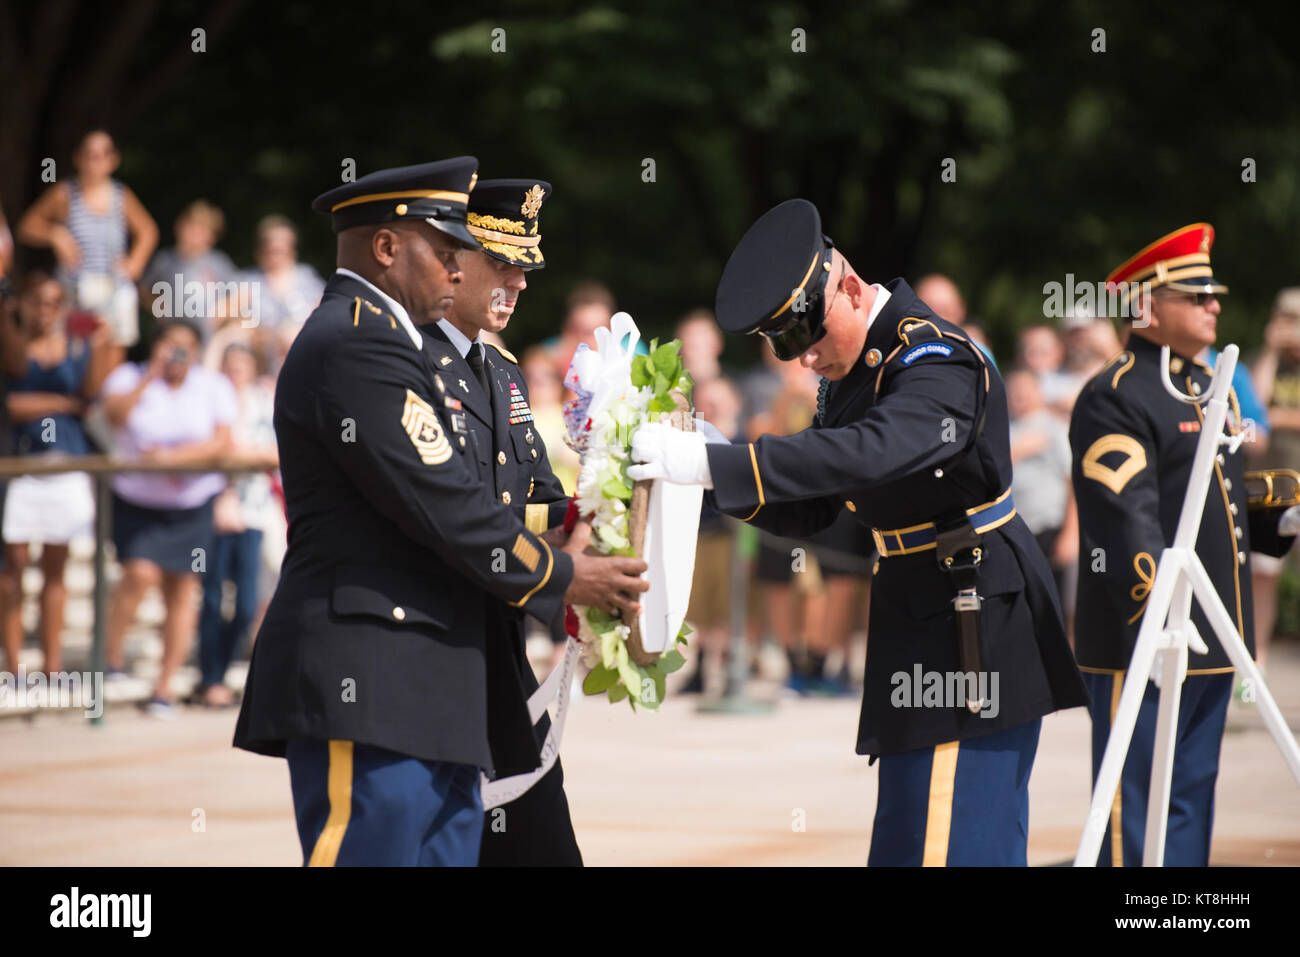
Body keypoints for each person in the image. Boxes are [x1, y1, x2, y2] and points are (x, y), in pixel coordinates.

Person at [631, 199, 1088, 865]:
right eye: (786, 346)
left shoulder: (935, 356)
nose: (805, 357)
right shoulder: (854, 368)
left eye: (808, 336)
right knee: (910, 838)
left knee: (951, 841)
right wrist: (714, 466)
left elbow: (871, 452)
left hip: (971, 628)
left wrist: (719, 461)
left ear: (848, 286)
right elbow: (818, 503)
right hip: (921, 614)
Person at [232, 159, 648, 867]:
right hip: (370, 679)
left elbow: (513, 503)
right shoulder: (356, 340)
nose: (461, 271)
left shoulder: (412, 348)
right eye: (449, 251)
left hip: (443, 683)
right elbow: (451, 505)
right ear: (388, 249)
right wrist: (567, 577)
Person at [1070, 224, 1295, 866]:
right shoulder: (1115, 396)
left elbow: (1212, 501)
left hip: (1214, 632)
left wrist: (1281, 512)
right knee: (1131, 806)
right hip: (1146, 635)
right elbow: (1125, 520)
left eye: (1212, 294)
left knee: (1191, 800)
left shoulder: (1202, 385)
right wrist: (1157, 622)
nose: (1214, 305)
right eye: (1196, 295)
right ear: (1145, 307)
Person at [420, 177, 593, 866]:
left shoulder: (503, 372)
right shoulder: (414, 367)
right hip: (437, 654)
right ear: (456, 259)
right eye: (503, 263)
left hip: (501, 655)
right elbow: (459, 510)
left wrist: (599, 512)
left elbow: (538, 499)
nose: (518, 283)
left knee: (545, 846)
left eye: (526, 268)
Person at [101, 318, 235, 717]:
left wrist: (169, 459)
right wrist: (151, 377)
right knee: (139, 573)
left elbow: (222, 441)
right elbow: (114, 416)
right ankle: (109, 659)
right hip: (138, 502)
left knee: (182, 590)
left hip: (192, 506)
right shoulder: (129, 376)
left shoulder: (212, 385)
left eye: (185, 346)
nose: (178, 353)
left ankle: (164, 686)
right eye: (170, 345)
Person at [1, 274, 114, 674]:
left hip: (66, 467)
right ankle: (12, 668)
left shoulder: (76, 347)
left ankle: (52, 667)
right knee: (11, 571)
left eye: (52, 303)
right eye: (37, 301)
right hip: (21, 467)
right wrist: (63, 403)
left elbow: (91, 396)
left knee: (55, 572)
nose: (45, 310)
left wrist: (102, 343)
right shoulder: (12, 343)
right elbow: (13, 404)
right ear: (23, 304)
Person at [17, 129, 157, 348]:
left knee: (112, 350)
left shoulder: (121, 196)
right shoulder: (64, 194)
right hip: (74, 287)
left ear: (113, 160)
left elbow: (148, 230)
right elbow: (27, 226)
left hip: (113, 285)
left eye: (102, 155)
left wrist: (135, 262)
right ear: (78, 158)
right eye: (90, 154)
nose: (95, 161)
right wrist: (55, 234)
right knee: (75, 352)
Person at [195, 342, 278, 708]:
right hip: (211, 507)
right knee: (211, 598)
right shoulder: (209, 398)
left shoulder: (264, 400)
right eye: (231, 365)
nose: (236, 372)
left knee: (246, 603)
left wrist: (236, 455)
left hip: (254, 510)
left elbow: (276, 452)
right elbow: (211, 449)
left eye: (243, 365)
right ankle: (210, 677)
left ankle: (222, 671)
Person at [1245, 288, 1300, 679]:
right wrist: (1270, 350)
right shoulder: (1261, 364)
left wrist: (1274, 415)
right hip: (1273, 487)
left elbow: (1266, 417)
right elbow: (1253, 413)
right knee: (1263, 575)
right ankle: (1255, 663)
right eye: (1286, 319)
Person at [143, 199, 240, 339]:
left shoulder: (218, 262)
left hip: (207, 336)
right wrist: (160, 310)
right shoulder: (165, 260)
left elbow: (240, 294)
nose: (194, 234)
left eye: (201, 230)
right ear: (178, 226)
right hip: (172, 333)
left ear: (212, 236)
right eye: (190, 227)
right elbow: (145, 289)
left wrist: (218, 315)